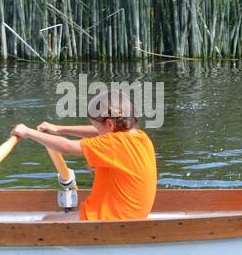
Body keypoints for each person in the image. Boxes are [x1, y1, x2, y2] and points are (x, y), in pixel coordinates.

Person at [12, 88, 157, 220]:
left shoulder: (112, 144)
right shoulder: (140, 137)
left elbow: (67, 147)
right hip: (131, 216)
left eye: (96, 126)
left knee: (47, 220)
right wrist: (59, 129)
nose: (96, 132)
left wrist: (28, 132)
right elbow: (98, 132)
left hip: (109, 220)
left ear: (110, 124)